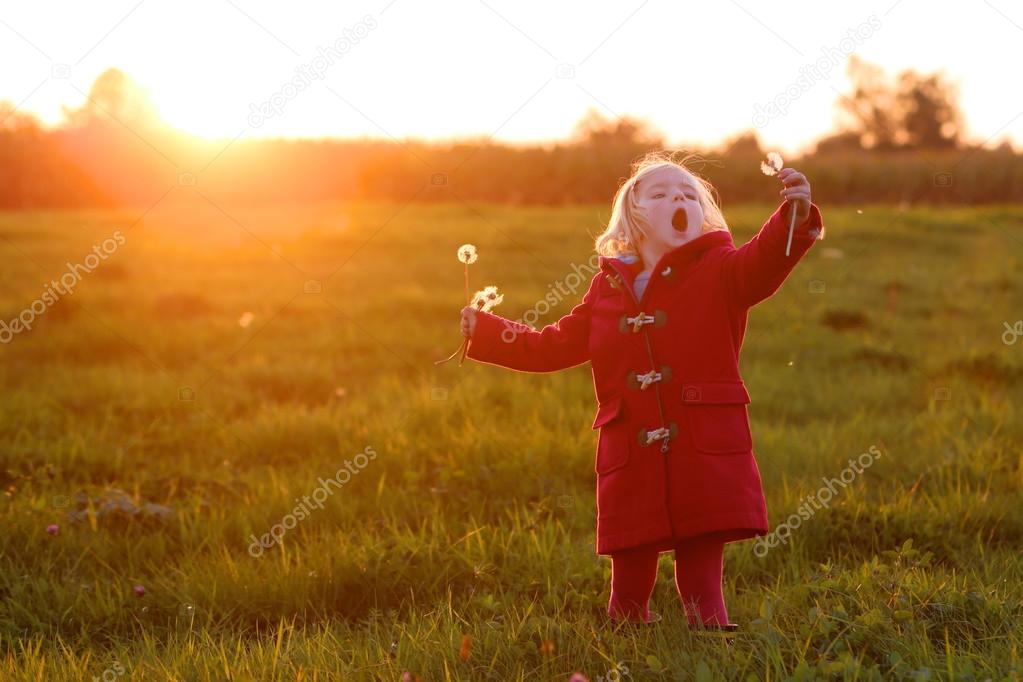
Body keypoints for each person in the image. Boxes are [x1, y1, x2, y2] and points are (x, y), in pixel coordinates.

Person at [459, 150, 824, 628]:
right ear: (633, 212)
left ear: (702, 212)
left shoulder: (722, 270)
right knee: (631, 551)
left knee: (701, 547)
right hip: (631, 441)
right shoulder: (608, 288)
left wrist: (792, 217)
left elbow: (764, 261)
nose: (677, 197)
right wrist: (488, 332)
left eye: (689, 193)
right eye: (661, 192)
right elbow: (552, 345)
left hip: (701, 439)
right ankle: (627, 630)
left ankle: (709, 633)